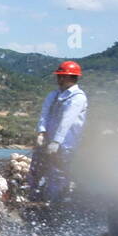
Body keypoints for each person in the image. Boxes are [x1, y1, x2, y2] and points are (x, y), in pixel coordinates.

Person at [31, 60, 87, 204]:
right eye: (59, 76)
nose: (59, 79)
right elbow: (44, 114)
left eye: (62, 76)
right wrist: (41, 132)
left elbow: (66, 121)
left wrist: (56, 141)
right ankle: (34, 200)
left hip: (66, 144)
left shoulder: (77, 98)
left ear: (71, 78)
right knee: (36, 169)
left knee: (58, 174)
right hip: (47, 140)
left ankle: (54, 204)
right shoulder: (54, 95)